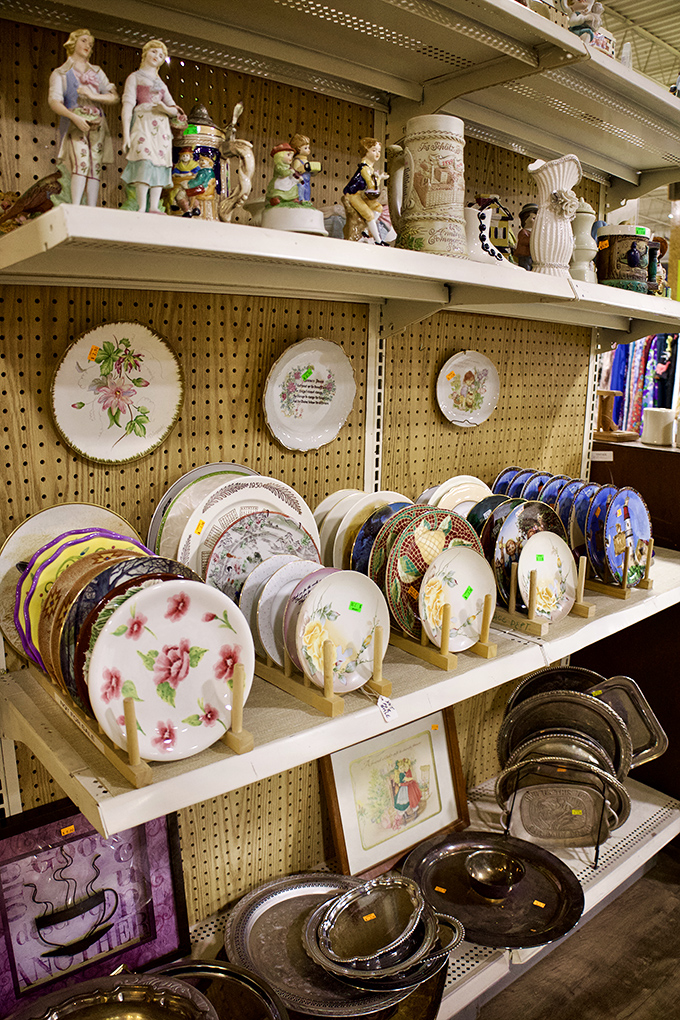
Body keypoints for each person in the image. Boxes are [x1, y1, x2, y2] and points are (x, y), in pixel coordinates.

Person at [48, 28, 118, 207]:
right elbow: (54, 101)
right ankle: (77, 205)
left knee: (95, 165)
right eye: (84, 41)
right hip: (76, 124)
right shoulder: (61, 73)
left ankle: (92, 207)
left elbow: (113, 96)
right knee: (80, 162)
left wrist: (94, 96)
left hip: (98, 124)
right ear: (73, 43)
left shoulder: (96, 71)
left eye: (91, 43)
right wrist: (74, 117)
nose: (88, 46)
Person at [121, 39, 185, 214]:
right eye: (154, 52)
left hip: (161, 129)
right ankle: (142, 206)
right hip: (143, 123)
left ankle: (154, 206)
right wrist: (126, 135)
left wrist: (164, 108)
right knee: (144, 160)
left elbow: (174, 110)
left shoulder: (161, 83)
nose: (158, 56)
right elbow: (127, 105)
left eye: (161, 55)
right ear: (145, 53)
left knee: (159, 163)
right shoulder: (135, 77)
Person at [343, 137, 389, 244]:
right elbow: (371, 186)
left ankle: (366, 231)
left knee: (378, 208)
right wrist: (378, 179)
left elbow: (372, 185)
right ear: (366, 151)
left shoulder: (370, 167)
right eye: (374, 150)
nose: (377, 153)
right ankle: (378, 241)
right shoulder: (364, 168)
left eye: (378, 151)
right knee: (370, 215)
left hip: (361, 195)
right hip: (353, 194)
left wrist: (379, 178)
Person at [290, 133, 321, 203]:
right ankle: (300, 200)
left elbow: (310, 173)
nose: (308, 150)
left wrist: (314, 170)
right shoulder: (297, 161)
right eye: (306, 148)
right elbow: (295, 171)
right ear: (298, 149)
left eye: (308, 148)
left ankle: (306, 200)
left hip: (307, 181)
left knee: (307, 191)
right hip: (301, 182)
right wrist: (304, 168)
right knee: (300, 190)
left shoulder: (306, 160)